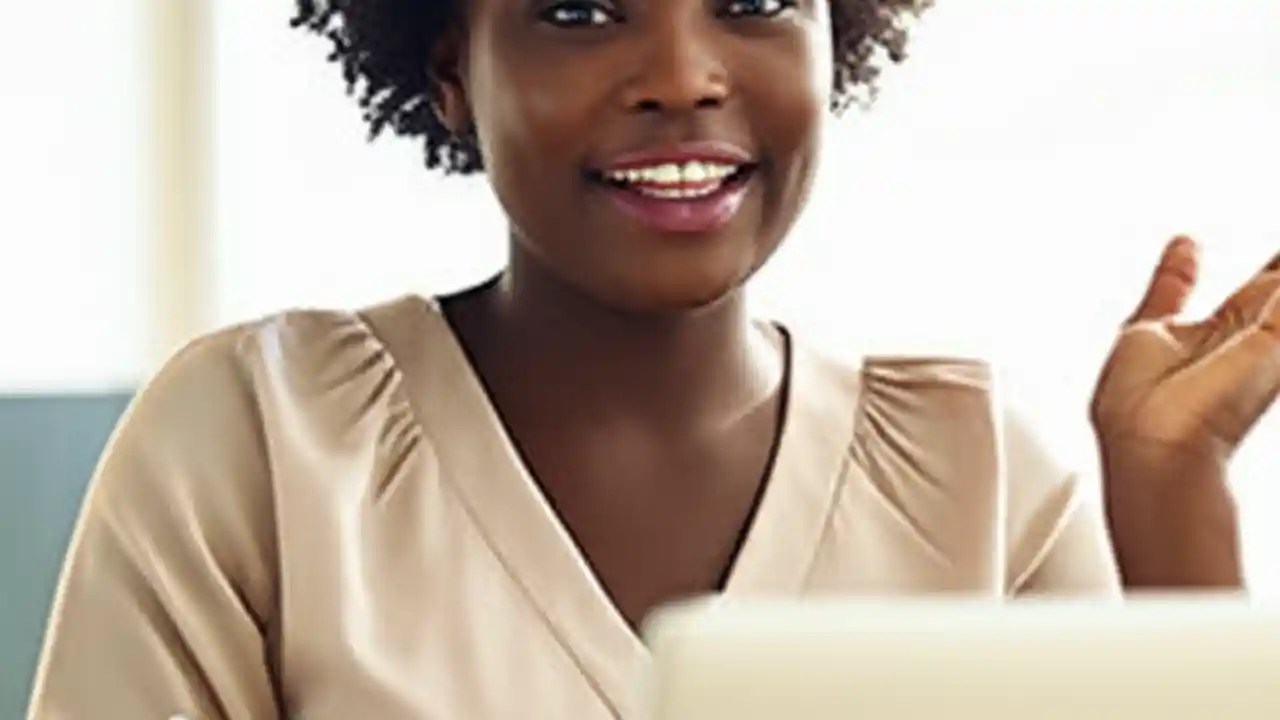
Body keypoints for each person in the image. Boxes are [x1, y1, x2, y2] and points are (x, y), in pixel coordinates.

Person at [27, 1, 1272, 718]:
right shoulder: (252, 446)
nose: (682, 75)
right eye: (577, 8)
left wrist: (1169, 502)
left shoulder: (983, 479)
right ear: (450, 68)